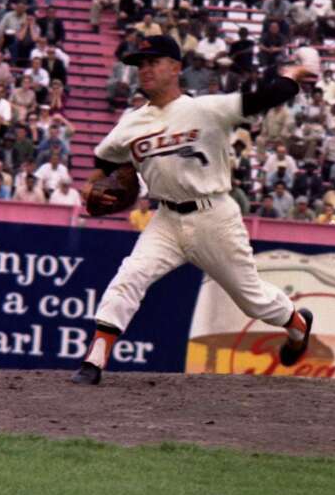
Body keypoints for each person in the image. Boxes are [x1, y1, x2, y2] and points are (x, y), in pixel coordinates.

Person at [71, 34, 316, 385]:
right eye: (140, 64)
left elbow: (267, 96)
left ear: (176, 68)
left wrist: (293, 73)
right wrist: (91, 186)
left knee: (253, 301)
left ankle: (297, 325)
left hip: (213, 215)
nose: (145, 70)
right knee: (130, 276)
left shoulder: (205, 109)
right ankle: (93, 361)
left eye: (153, 62)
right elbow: (103, 160)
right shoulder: (131, 123)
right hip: (166, 219)